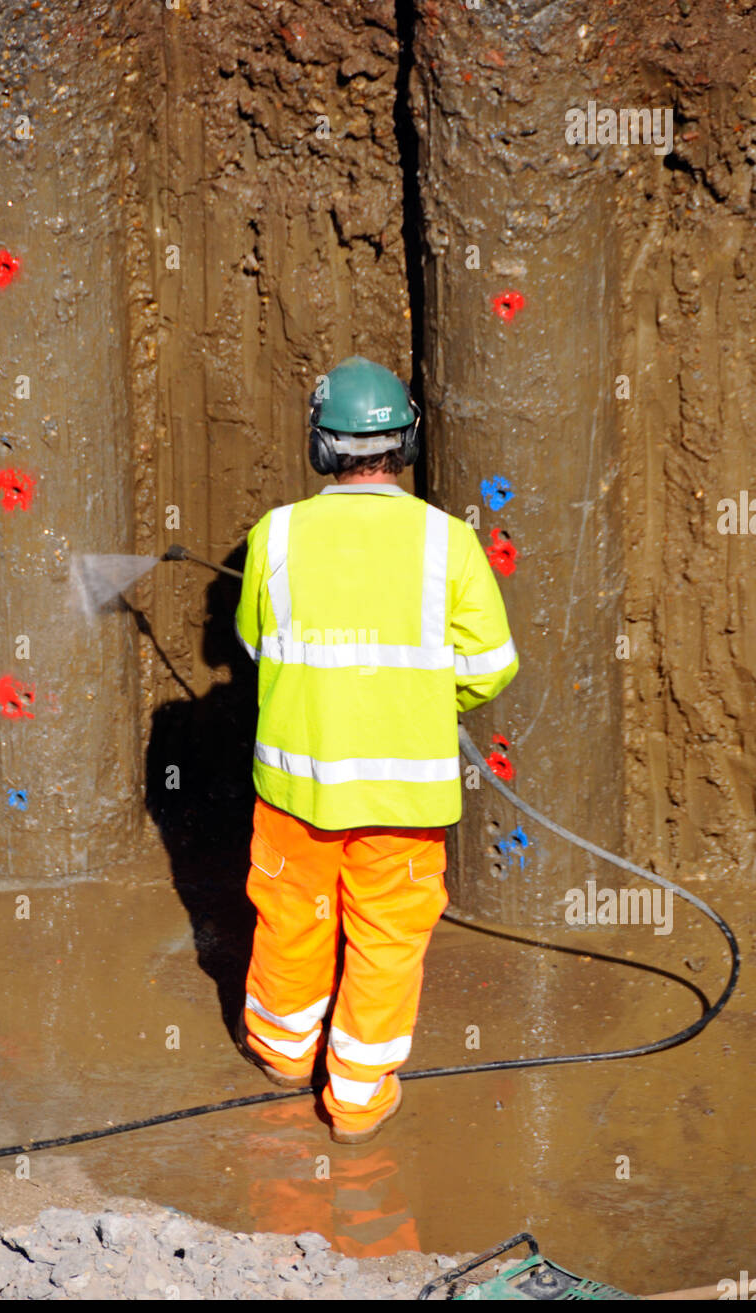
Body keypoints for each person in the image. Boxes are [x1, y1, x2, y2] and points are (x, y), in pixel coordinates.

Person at [233, 356, 518, 1143]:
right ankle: (356, 1100)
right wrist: (428, 699)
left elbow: (257, 644)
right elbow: (491, 665)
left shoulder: (276, 533)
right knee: (388, 938)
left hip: (296, 791)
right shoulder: (447, 541)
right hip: (403, 796)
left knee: (290, 918)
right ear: (407, 443)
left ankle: (282, 1055)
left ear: (321, 448)